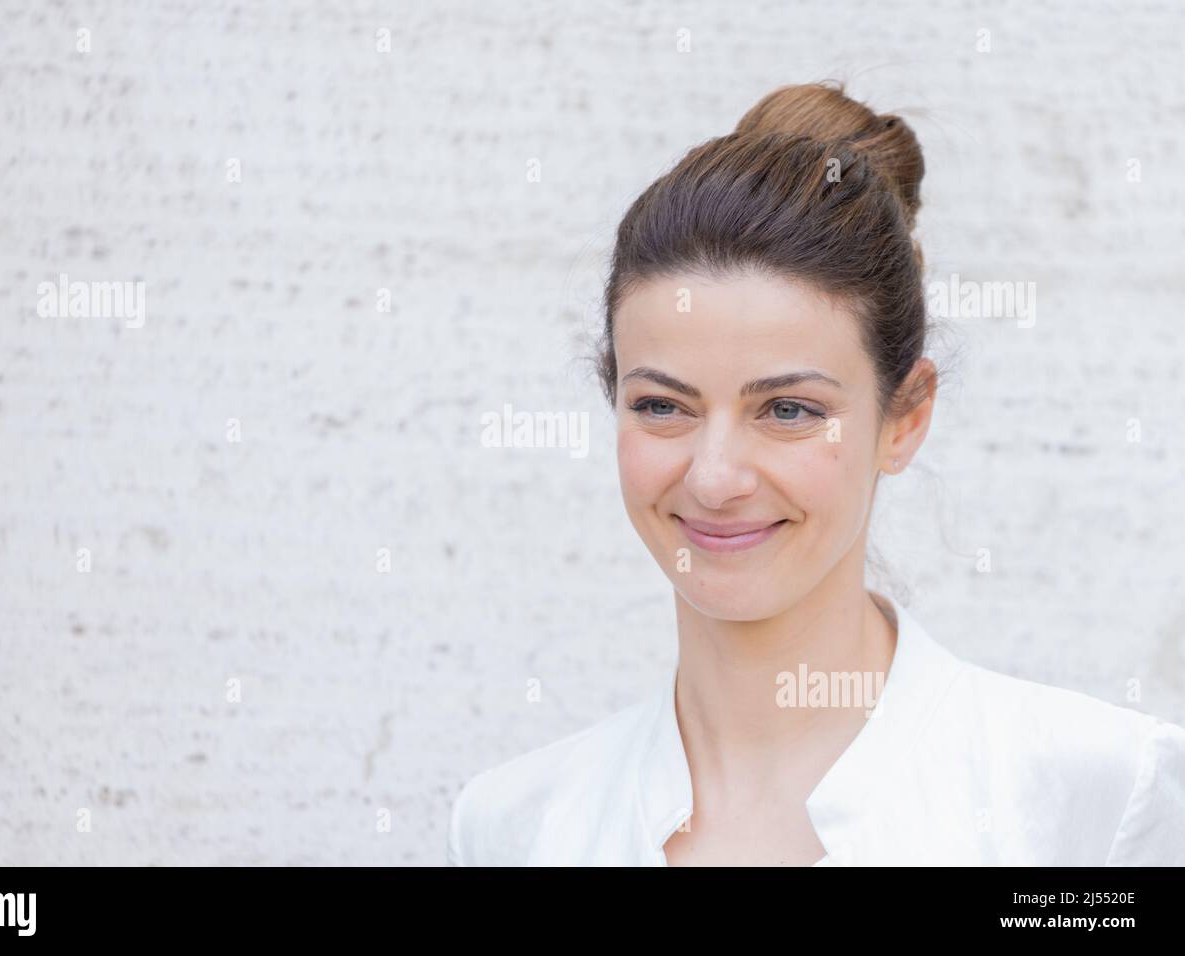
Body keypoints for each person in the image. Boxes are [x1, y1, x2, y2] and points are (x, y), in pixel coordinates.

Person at [447, 81, 1185, 866]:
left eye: (788, 410)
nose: (715, 477)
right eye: (663, 407)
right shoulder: (513, 829)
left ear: (904, 417)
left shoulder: (1095, 800)